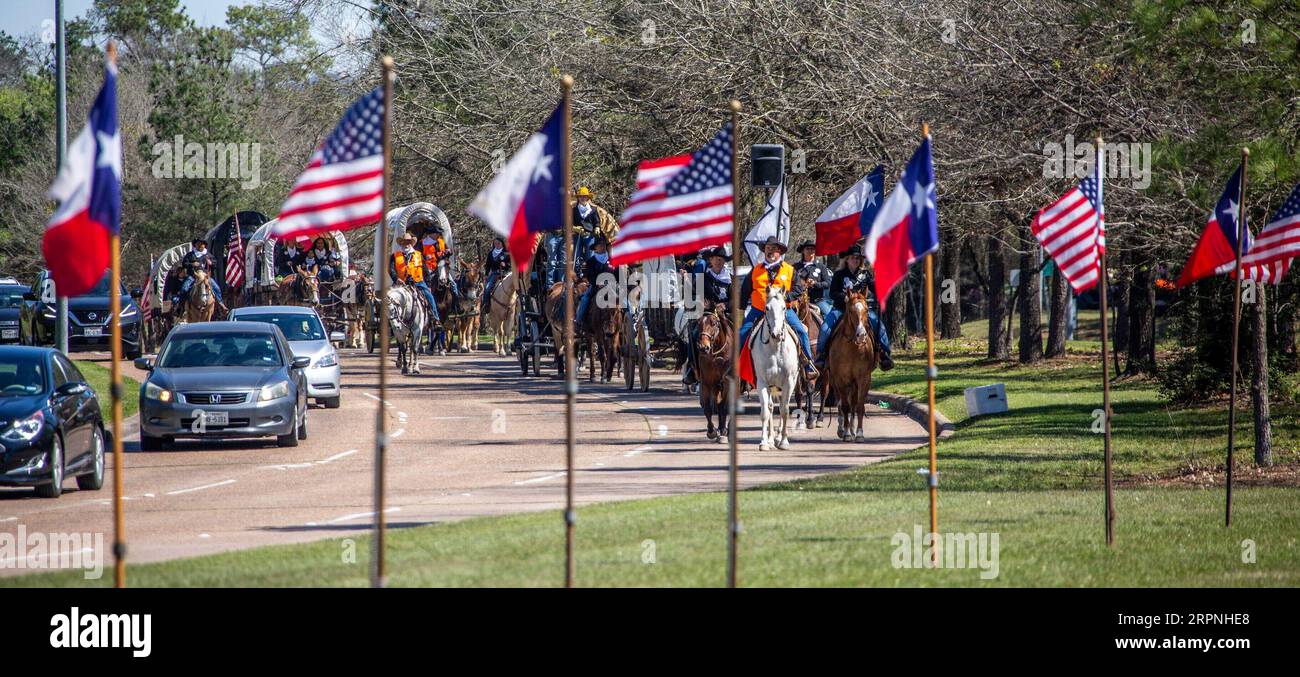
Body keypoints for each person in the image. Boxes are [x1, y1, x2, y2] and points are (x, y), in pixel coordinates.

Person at [739, 236, 816, 379]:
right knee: (742, 333)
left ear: (779, 252)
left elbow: (798, 290)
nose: (770, 251)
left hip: (783, 310)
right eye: (768, 248)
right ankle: (736, 368)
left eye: (773, 249)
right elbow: (744, 292)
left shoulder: (790, 270)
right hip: (759, 310)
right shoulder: (755, 270)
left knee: (800, 331)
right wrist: (740, 309)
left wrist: (786, 298)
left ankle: (808, 364)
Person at [815, 244, 894, 371]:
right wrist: (844, 298)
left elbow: (875, 288)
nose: (855, 260)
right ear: (847, 259)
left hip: (861, 310)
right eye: (852, 257)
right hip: (841, 309)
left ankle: (885, 355)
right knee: (825, 328)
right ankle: (821, 356)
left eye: (857, 258)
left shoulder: (865, 274)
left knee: (879, 326)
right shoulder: (839, 275)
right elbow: (832, 293)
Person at [683, 246, 731, 386]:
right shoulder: (704, 278)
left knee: (741, 333)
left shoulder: (730, 279)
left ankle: (741, 371)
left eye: (721, 260)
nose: (718, 262)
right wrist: (701, 302)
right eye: (716, 259)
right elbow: (696, 294)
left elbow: (736, 298)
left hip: (726, 314)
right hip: (708, 314)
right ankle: (693, 369)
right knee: (693, 333)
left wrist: (726, 306)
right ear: (711, 260)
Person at [389, 233, 440, 326]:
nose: (406, 244)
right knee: (389, 298)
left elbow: (425, 271)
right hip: (401, 284)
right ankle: (389, 322)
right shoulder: (394, 256)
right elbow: (391, 270)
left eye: (408, 242)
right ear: (401, 243)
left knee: (429, 296)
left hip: (418, 282)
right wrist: (396, 279)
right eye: (404, 242)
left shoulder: (419, 255)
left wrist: (428, 285)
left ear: (412, 243)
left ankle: (435, 318)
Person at [575, 236, 614, 328]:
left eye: (604, 245)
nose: (602, 247)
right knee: (585, 299)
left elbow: (617, 273)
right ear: (595, 248)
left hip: (612, 285)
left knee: (623, 297)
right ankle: (579, 321)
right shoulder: (590, 261)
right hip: (596, 286)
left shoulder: (612, 260)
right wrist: (597, 283)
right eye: (600, 245)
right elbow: (590, 276)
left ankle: (630, 317)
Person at [175, 238, 223, 310]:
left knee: (217, 288)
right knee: (184, 289)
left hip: (205, 276)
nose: (200, 245)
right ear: (195, 245)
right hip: (193, 276)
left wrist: (211, 263)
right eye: (198, 244)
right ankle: (180, 307)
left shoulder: (208, 255)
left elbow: (215, 264)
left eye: (202, 244)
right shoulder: (190, 255)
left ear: (204, 245)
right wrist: (192, 264)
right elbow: (184, 264)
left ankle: (221, 304)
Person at [793, 240, 832, 318]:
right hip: (797, 300)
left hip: (818, 300)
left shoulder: (821, 266)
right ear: (803, 251)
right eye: (808, 249)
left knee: (829, 316)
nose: (810, 251)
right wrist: (802, 284)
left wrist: (815, 284)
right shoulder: (795, 267)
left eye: (812, 249)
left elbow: (828, 283)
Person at [420, 225, 460, 298]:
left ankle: (456, 303)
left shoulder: (441, 241)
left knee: (453, 283)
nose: (439, 235)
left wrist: (448, 251)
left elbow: (449, 251)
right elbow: (417, 255)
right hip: (429, 270)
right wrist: (424, 258)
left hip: (441, 267)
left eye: (439, 233)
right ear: (431, 234)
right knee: (426, 287)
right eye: (437, 233)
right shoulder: (422, 243)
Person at [481, 235, 511, 315]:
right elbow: (488, 265)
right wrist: (486, 274)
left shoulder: (506, 252)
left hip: (506, 273)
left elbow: (511, 264)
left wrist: (506, 265)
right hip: (494, 273)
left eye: (498, 243)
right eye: (495, 244)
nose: (497, 245)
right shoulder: (491, 254)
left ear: (502, 244)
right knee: (487, 288)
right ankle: (485, 305)